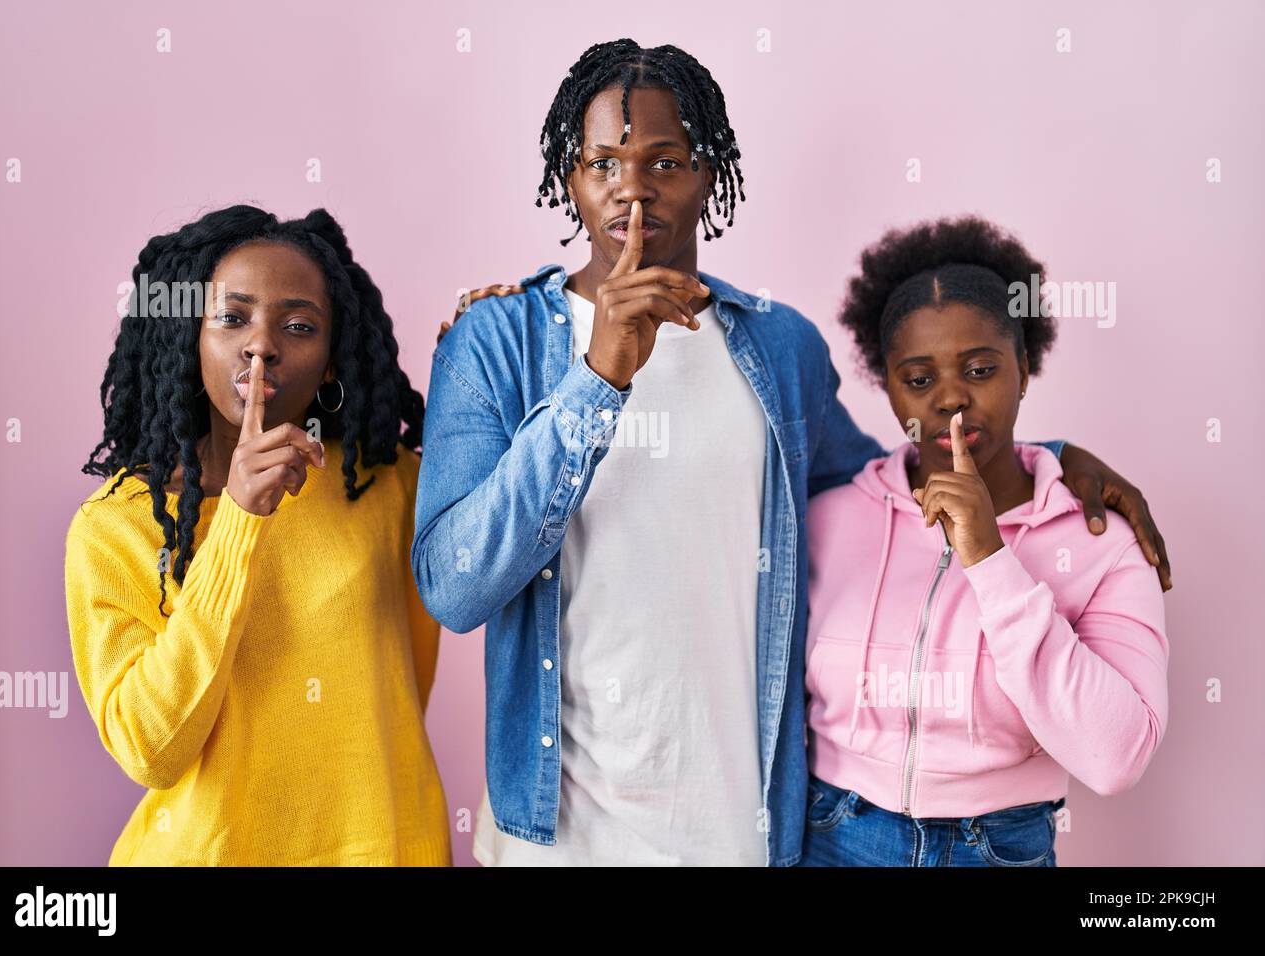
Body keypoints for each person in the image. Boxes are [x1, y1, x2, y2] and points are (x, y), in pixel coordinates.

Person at [417, 39, 1171, 866]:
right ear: (572, 181)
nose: (632, 187)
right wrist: (597, 379)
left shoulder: (780, 349)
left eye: (665, 160)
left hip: (743, 834)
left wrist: (1047, 460)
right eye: (603, 161)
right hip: (553, 840)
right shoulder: (494, 343)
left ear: (710, 175)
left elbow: (887, 483)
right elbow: (455, 590)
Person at [65, 205, 451, 865]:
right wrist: (240, 517)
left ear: (333, 362)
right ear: (189, 334)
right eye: (232, 317)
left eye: (299, 326)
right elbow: (150, 750)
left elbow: (404, 685)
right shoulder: (115, 527)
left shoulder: (384, 489)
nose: (261, 344)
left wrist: (500, 341)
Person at [799, 217, 1169, 866]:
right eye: (917, 379)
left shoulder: (1098, 535)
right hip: (834, 836)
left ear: (1024, 368)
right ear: (885, 383)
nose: (951, 400)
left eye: (979, 369)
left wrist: (990, 559)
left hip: (998, 847)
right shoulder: (828, 518)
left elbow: (1117, 758)